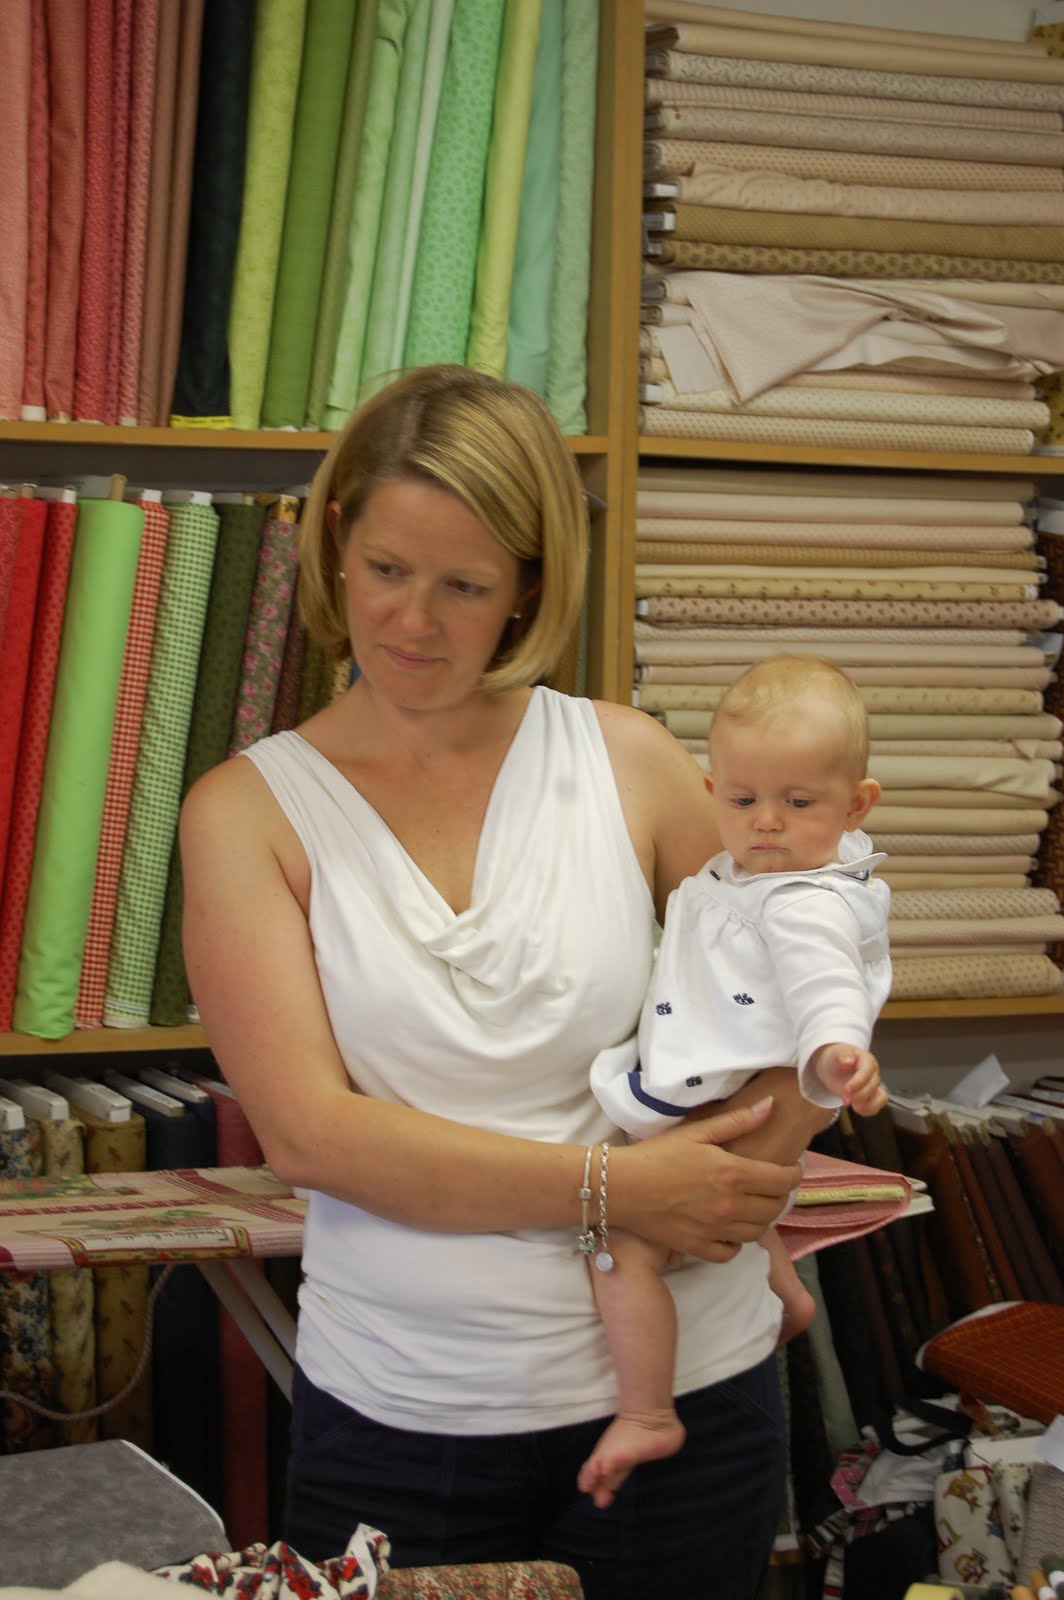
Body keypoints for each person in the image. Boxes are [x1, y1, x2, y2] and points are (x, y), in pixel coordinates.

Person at [179, 365, 832, 1600]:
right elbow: (314, 1135)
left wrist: (744, 1182)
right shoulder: (247, 813)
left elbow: (799, 997)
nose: (413, 621)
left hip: (692, 1393)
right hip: (411, 1410)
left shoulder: (626, 762)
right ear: (334, 541)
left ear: (527, 583)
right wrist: (627, 1188)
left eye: (463, 585)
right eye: (385, 569)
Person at [581, 656, 892, 1510]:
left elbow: (828, 979)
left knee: (619, 1246)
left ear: (856, 805)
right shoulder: (750, 871)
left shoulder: (803, 899)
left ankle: (647, 1411)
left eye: (799, 803)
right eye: (744, 799)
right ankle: (787, 1292)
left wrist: (835, 1053)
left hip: (730, 1092)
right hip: (722, 1081)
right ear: (712, 788)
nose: (765, 824)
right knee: (744, 1209)